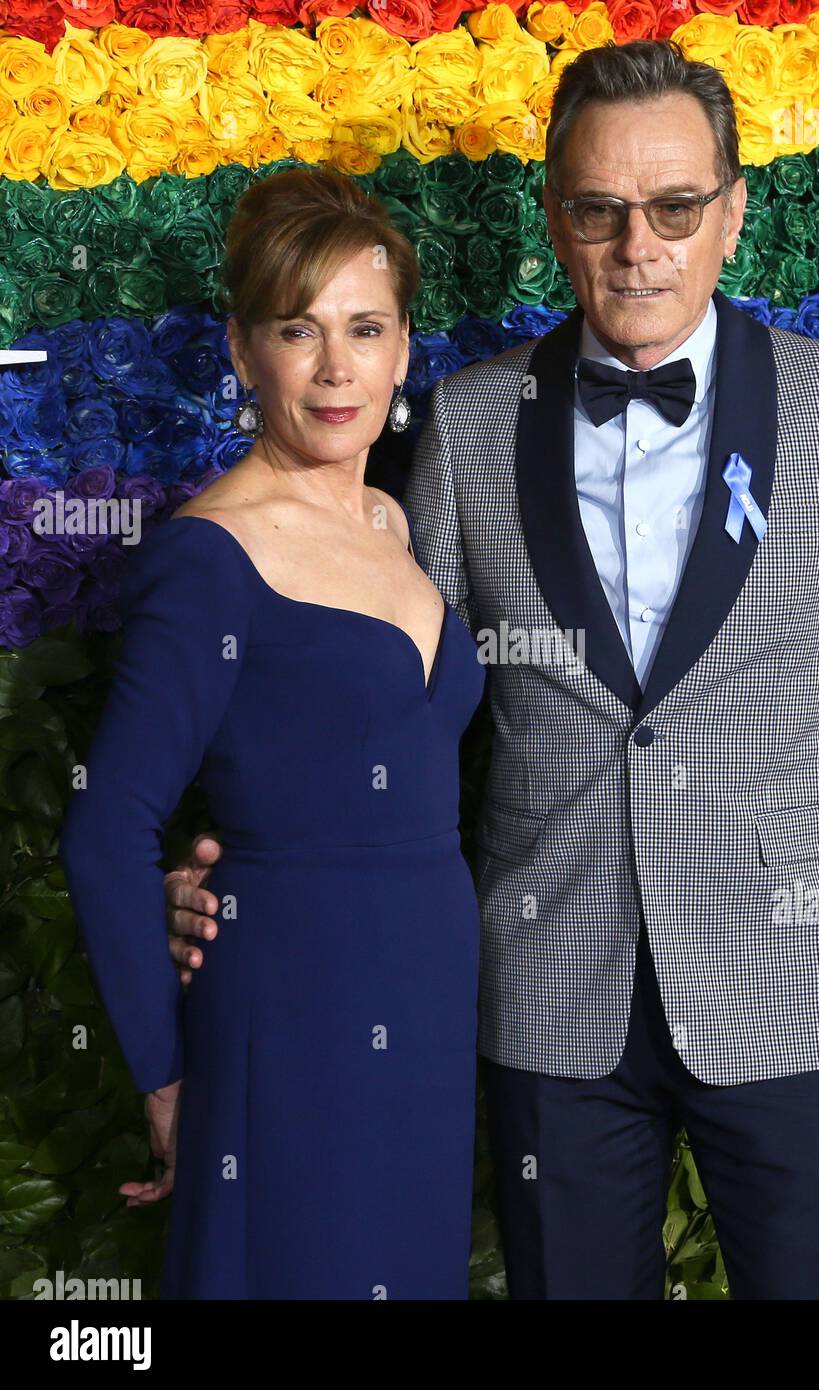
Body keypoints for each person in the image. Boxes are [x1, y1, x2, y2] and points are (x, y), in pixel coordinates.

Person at [163, 41, 819, 1300]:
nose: (638, 246)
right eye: (601, 210)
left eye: (674, 207)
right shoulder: (471, 423)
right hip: (548, 1001)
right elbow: (389, 705)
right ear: (557, 218)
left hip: (787, 993)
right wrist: (243, 868)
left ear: (731, 214)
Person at [59, 165, 487, 1299]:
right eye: (298, 330)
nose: (337, 367)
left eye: (366, 328)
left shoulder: (398, 519)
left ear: (404, 352)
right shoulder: (211, 557)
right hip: (294, 1011)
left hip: (428, 1005)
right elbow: (107, 830)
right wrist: (166, 1082)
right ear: (246, 352)